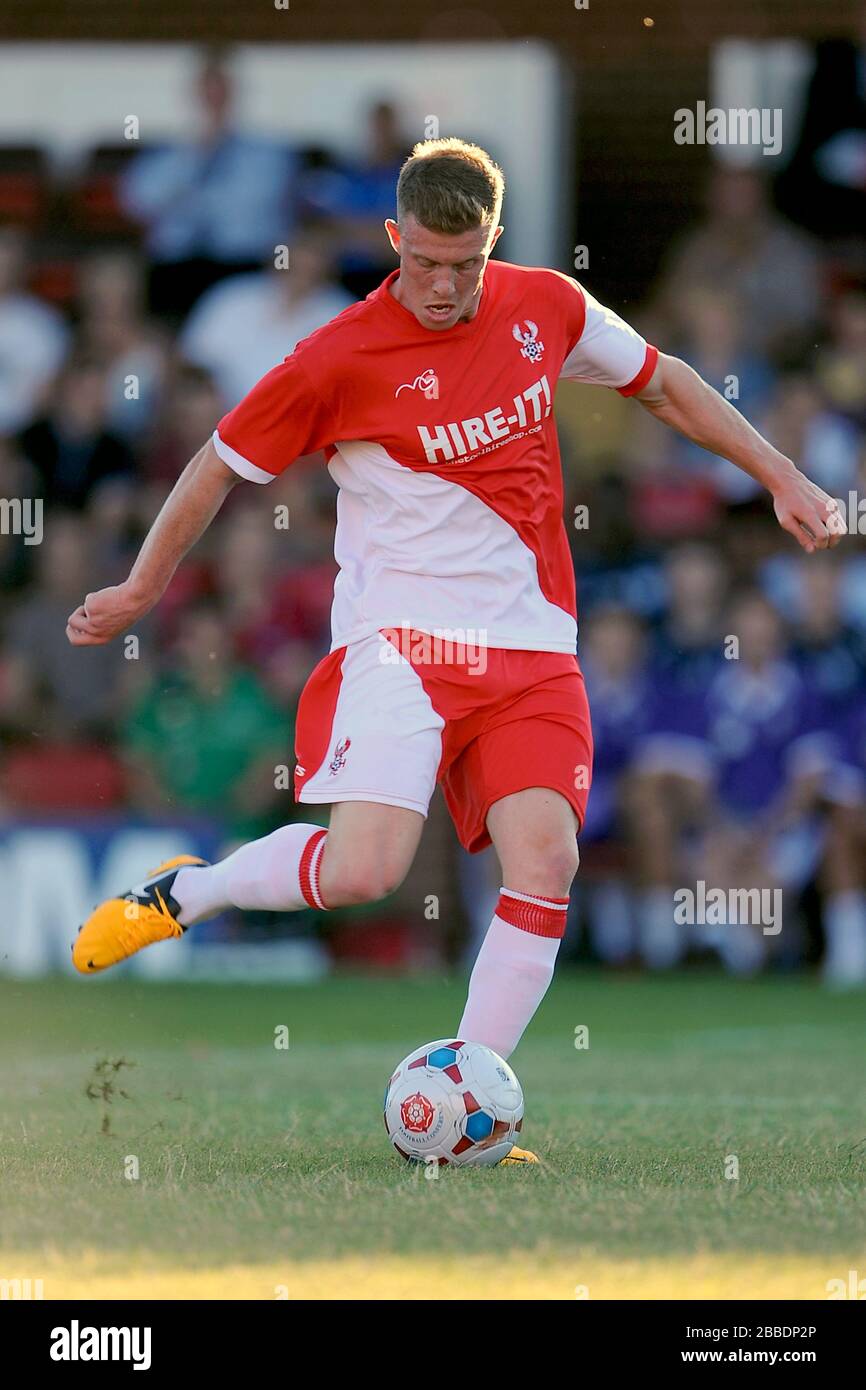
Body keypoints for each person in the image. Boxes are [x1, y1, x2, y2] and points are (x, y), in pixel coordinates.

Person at [66, 138, 844, 1167]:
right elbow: (215, 466)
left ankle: (468, 1095)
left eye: (464, 263)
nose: (442, 285)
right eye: (424, 262)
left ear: (492, 244)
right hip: (400, 643)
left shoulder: (546, 306)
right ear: (393, 240)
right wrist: (142, 586)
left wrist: (778, 472)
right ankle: (188, 891)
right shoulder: (336, 357)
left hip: (530, 646)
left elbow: (662, 383)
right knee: (363, 872)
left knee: (547, 859)